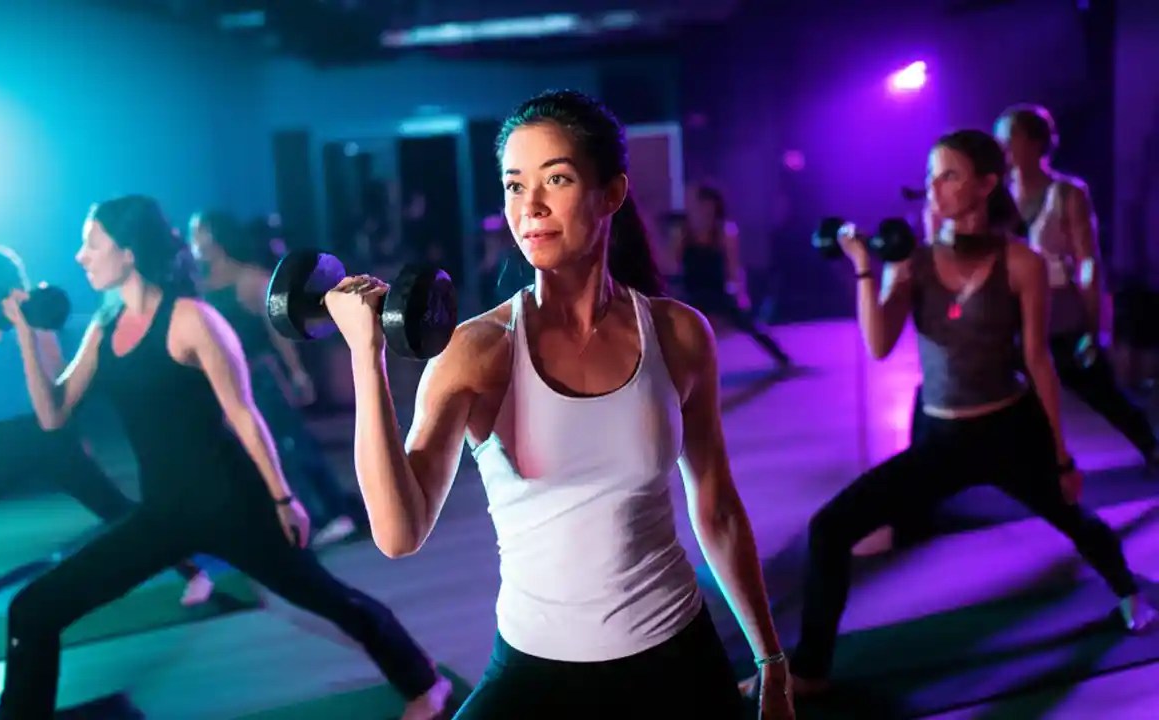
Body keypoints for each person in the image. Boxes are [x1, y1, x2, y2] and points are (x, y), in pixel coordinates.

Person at [323, 90, 793, 719]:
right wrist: (366, 355)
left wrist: (771, 660)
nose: (531, 206)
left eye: (558, 179)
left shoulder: (678, 334)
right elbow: (398, 533)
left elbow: (718, 507)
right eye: (515, 186)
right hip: (536, 670)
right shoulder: (477, 351)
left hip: (677, 657)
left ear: (611, 193)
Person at [0, 196, 449, 719]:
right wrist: (25, 333)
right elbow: (52, 414)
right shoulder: (104, 325)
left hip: (232, 506)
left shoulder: (193, 319)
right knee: (33, 609)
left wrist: (284, 498)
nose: (81, 256)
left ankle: (425, 683)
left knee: (329, 599)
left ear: (128, 252)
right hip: (162, 515)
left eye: (91, 244)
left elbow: (244, 413)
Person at [780, 130, 1156, 696]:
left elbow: (1038, 361)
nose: (933, 187)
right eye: (931, 176)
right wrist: (865, 268)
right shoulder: (914, 261)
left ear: (986, 184)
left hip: (1009, 429)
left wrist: (1060, 455)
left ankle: (1128, 591)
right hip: (940, 438)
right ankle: (810, 671)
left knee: (1074, 517)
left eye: (949, 175)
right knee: (829, 528)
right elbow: (878, 343)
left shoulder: (1022, 262)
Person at [0, 243, 213, 663]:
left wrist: (25, 332)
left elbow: (59, 389)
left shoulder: (37, 326)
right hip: (5, 452)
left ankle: (194, 571)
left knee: (120, 514)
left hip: (51, 445)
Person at [995, 104, 1159, 469]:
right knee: (1011, 392)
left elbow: (1087, 260)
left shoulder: (1067, 193)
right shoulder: (997, 198)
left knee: (1094, 385)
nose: (1002, 146)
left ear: (1036, 143)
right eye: (999, 139)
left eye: (1010, 138)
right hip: (1014, 312)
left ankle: (1149, 444)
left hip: (1059, 309)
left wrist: (1093, 321)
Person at [189, 210, 363, 546]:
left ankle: (327, 515)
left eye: (198, 232)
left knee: (288, 447)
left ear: (216, 236)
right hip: (222, 385)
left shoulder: (251, 279)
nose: (193, 240)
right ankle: (292, 519)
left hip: (259, 379)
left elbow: (278, 331)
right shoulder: (198, 286)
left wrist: (297, 373)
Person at [677, 186, 792, 368]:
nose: (704, 209)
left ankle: (782, 358)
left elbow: (733, 266)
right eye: (701, 204)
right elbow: (675, 263)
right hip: (693, 293)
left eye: (708, 205)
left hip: (716, 292)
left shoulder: (724, 231)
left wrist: (740, 294)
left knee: (748, 323)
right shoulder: (686, 231)